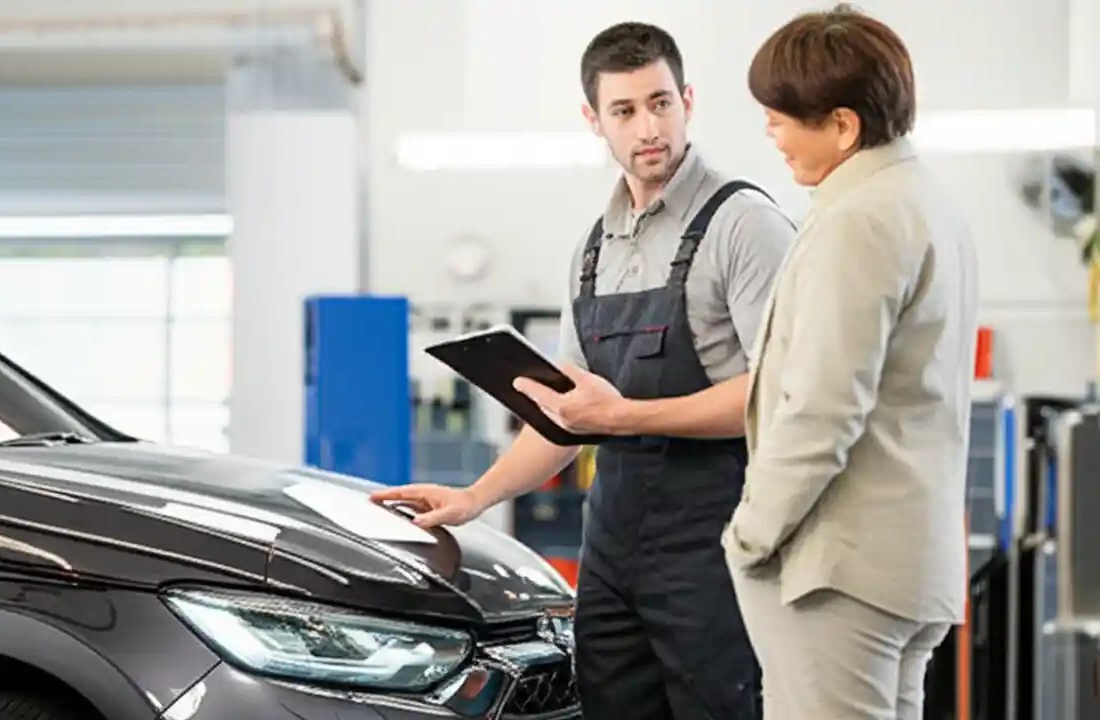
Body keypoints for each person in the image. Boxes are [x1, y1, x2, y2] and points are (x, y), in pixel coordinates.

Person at [372, 21, 795, 720]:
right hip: (611, 550)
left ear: (688, 99)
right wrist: (474, 498)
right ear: (594, 120)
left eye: (661, 102)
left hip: (717, 547)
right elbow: (565, 416)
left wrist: (624, 417)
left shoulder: (743, 224)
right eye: (625, 111)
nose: (648, 126)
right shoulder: (592, 250)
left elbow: (780, 393)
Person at [719, 5, 979, 719]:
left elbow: (825, 406)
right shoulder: (926, 203)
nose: (770, 132)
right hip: (905, 564)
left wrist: (750, 535)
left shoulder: (859, 217)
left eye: (780, 117)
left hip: (837, 575)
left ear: (842, 125)